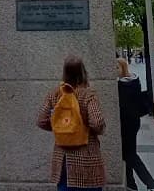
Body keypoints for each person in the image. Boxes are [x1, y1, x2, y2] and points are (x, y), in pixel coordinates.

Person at [37, 55, 106, 191]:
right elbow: (97, 123)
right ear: (83, 72)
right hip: (87, 156)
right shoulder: (88, 94)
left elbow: (41, 120)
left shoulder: (56, 94)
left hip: (63, 157)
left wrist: (61, 127)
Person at [117, 58, 154, 191]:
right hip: (134, 122)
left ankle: (151, 183)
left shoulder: (121, 85)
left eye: (116, 68)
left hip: (125, 123)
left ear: (123, 68)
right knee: (127, 153)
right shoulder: (135, 82)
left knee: (129, 154)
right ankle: (131, 184)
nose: (114, 70)